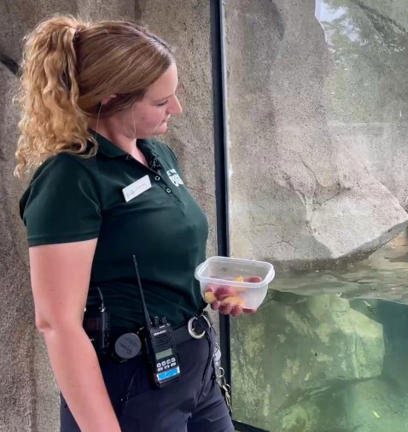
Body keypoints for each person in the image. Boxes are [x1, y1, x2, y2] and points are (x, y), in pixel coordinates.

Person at [14, 15, 250, 431]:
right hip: (132, 385)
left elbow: (149, 258)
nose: (176, 109)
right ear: (111, 99)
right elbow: (56, 323)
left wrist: (212, 291)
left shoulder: (158, 156)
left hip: (194, 372)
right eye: (161, 102)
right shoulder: (71, 178)